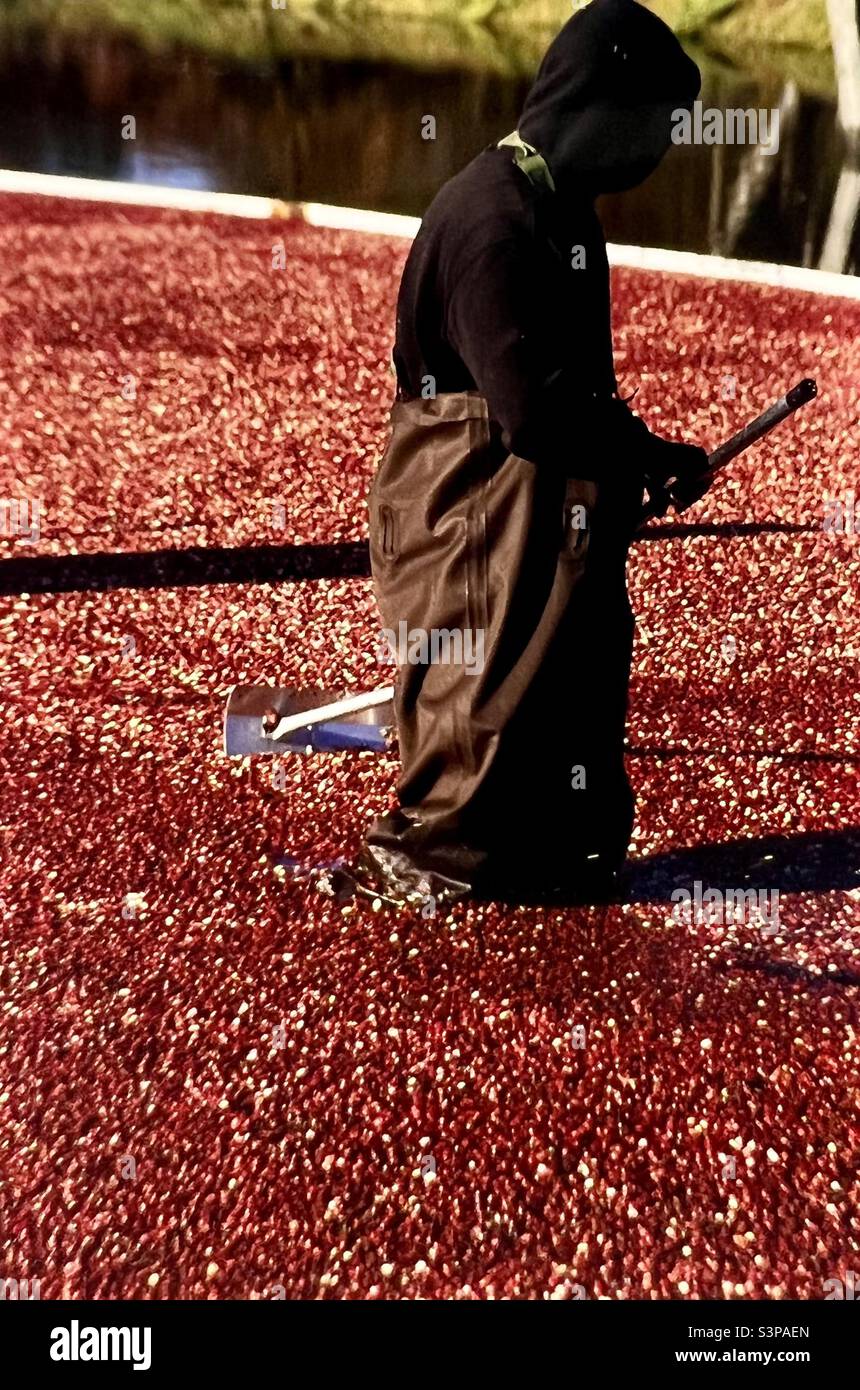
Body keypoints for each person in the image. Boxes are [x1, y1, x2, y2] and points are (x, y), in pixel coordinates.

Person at [358, 0, 712, 906]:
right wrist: (636, 455)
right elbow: (531, 413)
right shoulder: (494, 224)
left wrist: (643, 456)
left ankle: (552, 848)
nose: (659, 151)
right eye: (655, 126)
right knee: (484, 681)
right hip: (471, 508)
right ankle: (441, 857)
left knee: (569, 672)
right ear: (599, 110)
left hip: (544, 508)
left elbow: (579, 393)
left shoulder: (566, 215)